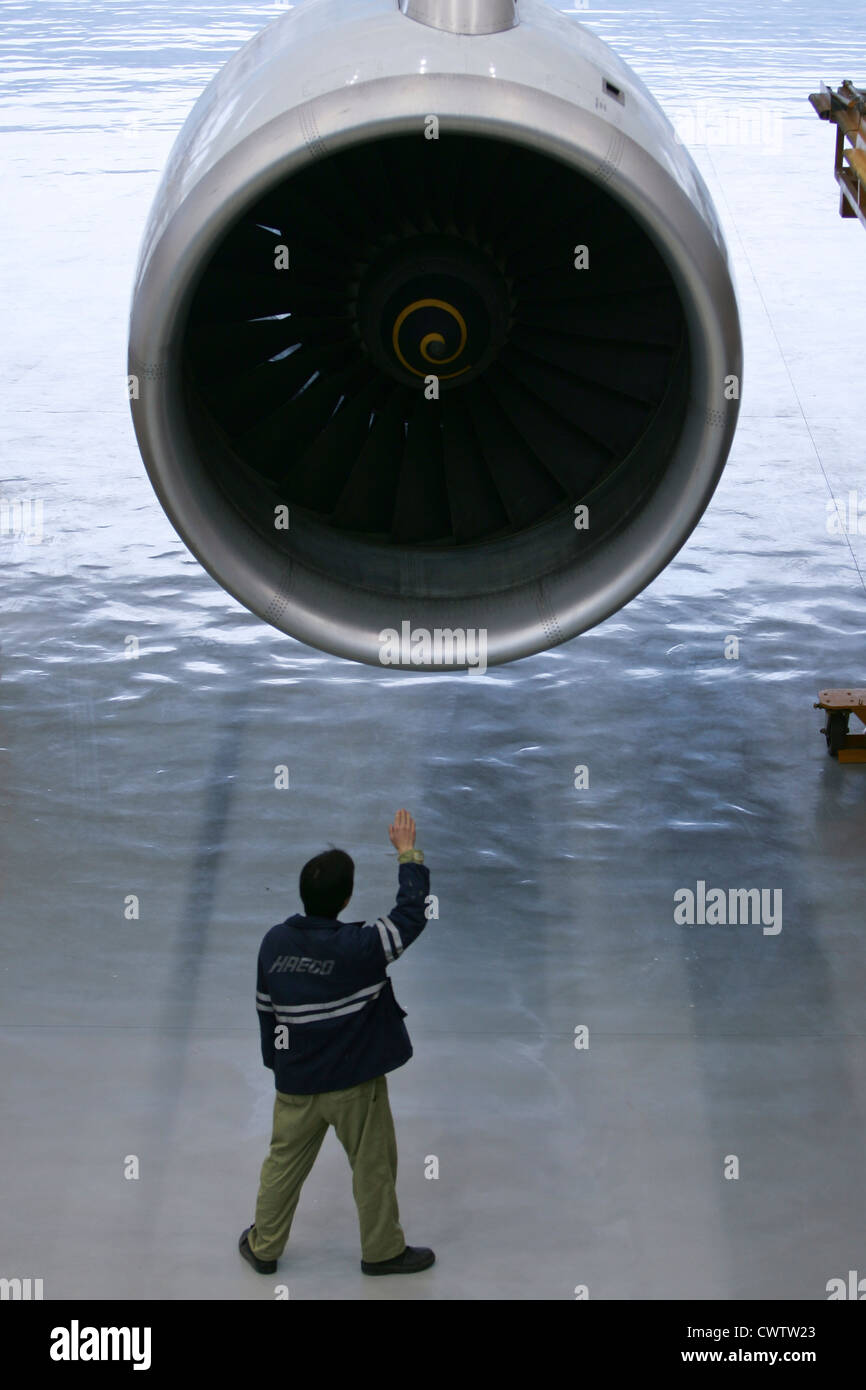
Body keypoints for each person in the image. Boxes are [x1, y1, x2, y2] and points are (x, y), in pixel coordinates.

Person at [239, 809, 435, 1276]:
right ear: (346, 900)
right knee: (372, 1169)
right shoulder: (360, 947)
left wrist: (279, 1067)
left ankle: (264, 1247)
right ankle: (383, 1251)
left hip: (298, 1084)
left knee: (282, 1167)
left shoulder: (274, 944)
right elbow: (410, 916)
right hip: (355, 1086)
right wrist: (408, 853)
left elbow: (267, 1014)